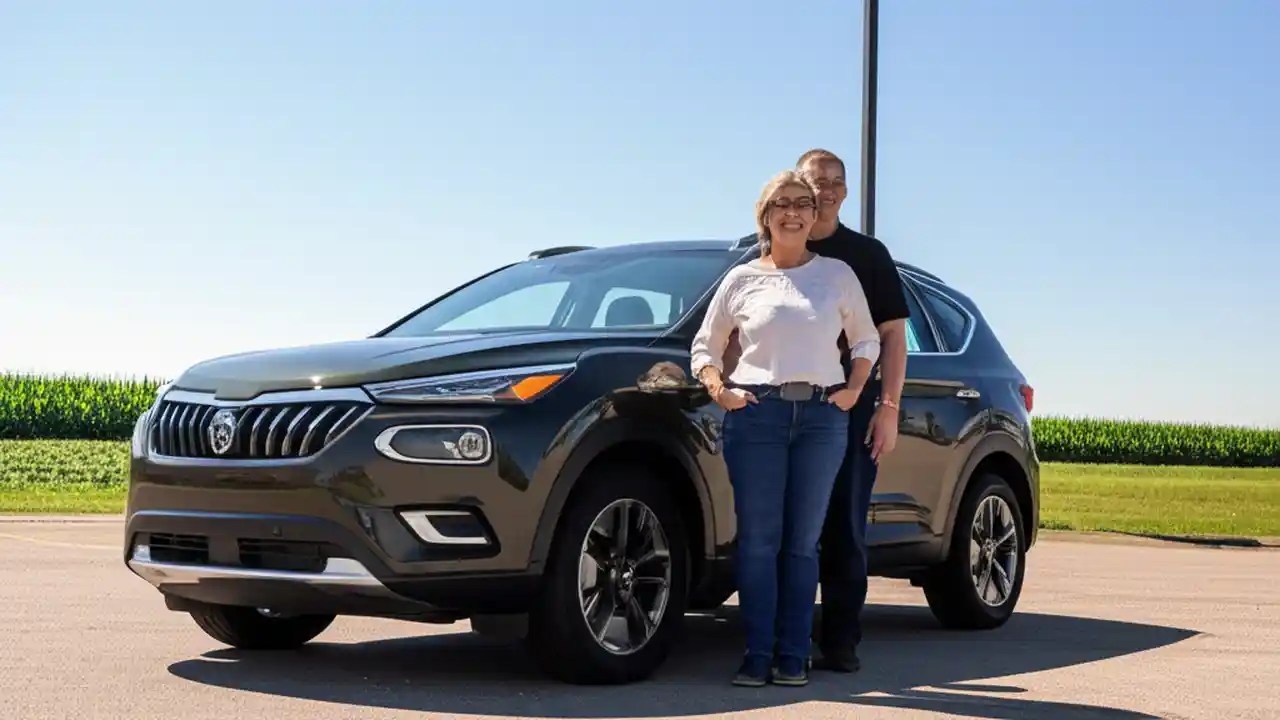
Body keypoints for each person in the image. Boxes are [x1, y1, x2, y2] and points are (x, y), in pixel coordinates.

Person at [690, 169, 881, 687]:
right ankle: (757, 653)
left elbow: (867, 340)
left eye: (802, 203)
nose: (793, 211)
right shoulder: (742, 279)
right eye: (781, 203)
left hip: (822, 420)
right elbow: (705, 347)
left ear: (814, 214)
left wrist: (853, 392)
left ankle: (794, 654)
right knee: (757, 541)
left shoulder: (837, 274)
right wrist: (720, 391)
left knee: (803, 543)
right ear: (765, 216)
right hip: (757, 418)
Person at [796, 148, 911, 673]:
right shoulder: (772, 252)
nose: (828, 190)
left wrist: (887, 407)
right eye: (817, 181)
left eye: (837, 181)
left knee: (843, 525)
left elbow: (892, 335)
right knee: (789, 528)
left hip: (852, 405)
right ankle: (786, 637)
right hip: (786, 407)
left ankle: (840, 641)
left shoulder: (866, 255)